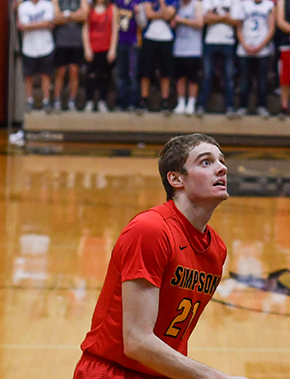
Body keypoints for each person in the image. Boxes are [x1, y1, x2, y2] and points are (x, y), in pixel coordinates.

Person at [73, 134, 244, 379]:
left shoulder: (217, 249)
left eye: (221, 161)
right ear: (176, 179)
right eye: (206, 162)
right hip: (113, 373)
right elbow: (137, 341)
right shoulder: (151, 230)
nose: (222, 168)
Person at [198, 0, 244, 116]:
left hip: (228, 41)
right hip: (210, 40)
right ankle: (201, 106)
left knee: (229, 76)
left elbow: (236, 20)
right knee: (207, 75)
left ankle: (230, 106)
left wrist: (216, 16)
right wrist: (224, 17)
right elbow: (205, 19)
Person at [140, 0, 180, 113]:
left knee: (165, 71)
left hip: (166, 38)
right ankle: (144, 99)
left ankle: (164, 100)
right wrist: (162, 14)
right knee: (145, 70)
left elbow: (169, 15)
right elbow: (149, 14)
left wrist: (160, 0)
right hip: (150, 36)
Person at [236, 0, 276, 117]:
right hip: (245, 48)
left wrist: (260, 46)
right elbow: (239, 28)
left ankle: (261, 106)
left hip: (262, 49)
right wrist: (245, 44)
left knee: (262, 80)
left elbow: (271, 28)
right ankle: (243, 106)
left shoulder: (269, 5)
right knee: (245, 80)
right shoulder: (243, 4)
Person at [52, 0, 89, 111]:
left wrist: (66, 15)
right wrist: (74, 15)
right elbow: (55, 17)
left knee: (74, 71)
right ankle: (56, 99)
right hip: (61, 40)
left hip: (76, 40)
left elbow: (84, 15)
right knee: (60, 72)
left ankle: (72, 100)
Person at [18, 0, 56, 112]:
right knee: (28, 76)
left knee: (46, 75)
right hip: (29, 47)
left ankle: (46, 101)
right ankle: (29, 101)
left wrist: (30, 25)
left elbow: (50, 22)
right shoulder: (23, 6)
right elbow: (22, 26)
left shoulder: (48, 4)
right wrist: (42, 24)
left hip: (46, 46)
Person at [83, 0, 118, 113]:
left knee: (105, 75)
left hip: (106, 46)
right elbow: (85, 29)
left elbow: (115, 29)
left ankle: (103, 101)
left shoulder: (112, 9)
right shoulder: (89, 9)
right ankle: (89, 101)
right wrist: (87, 48)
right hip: (93, 46)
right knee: (90, 75)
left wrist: (113, 49)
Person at [172, 0, 203, 116]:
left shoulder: (197, 4)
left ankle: (191, 102)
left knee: (193, 78)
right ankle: (180, 102)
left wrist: (182, 21)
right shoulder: (177, 4)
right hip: (179, 47)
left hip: (193, 48)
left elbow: (199, 22)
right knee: (180, 77)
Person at [113, 0, 143, 111]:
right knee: (121, 73)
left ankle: (133, 102)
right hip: (120, 40)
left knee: (132, 74)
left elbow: (143, 23)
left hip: (133, 41)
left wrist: (138, 14)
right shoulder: (118, 1)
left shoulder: (138, 2)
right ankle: (121, 101)